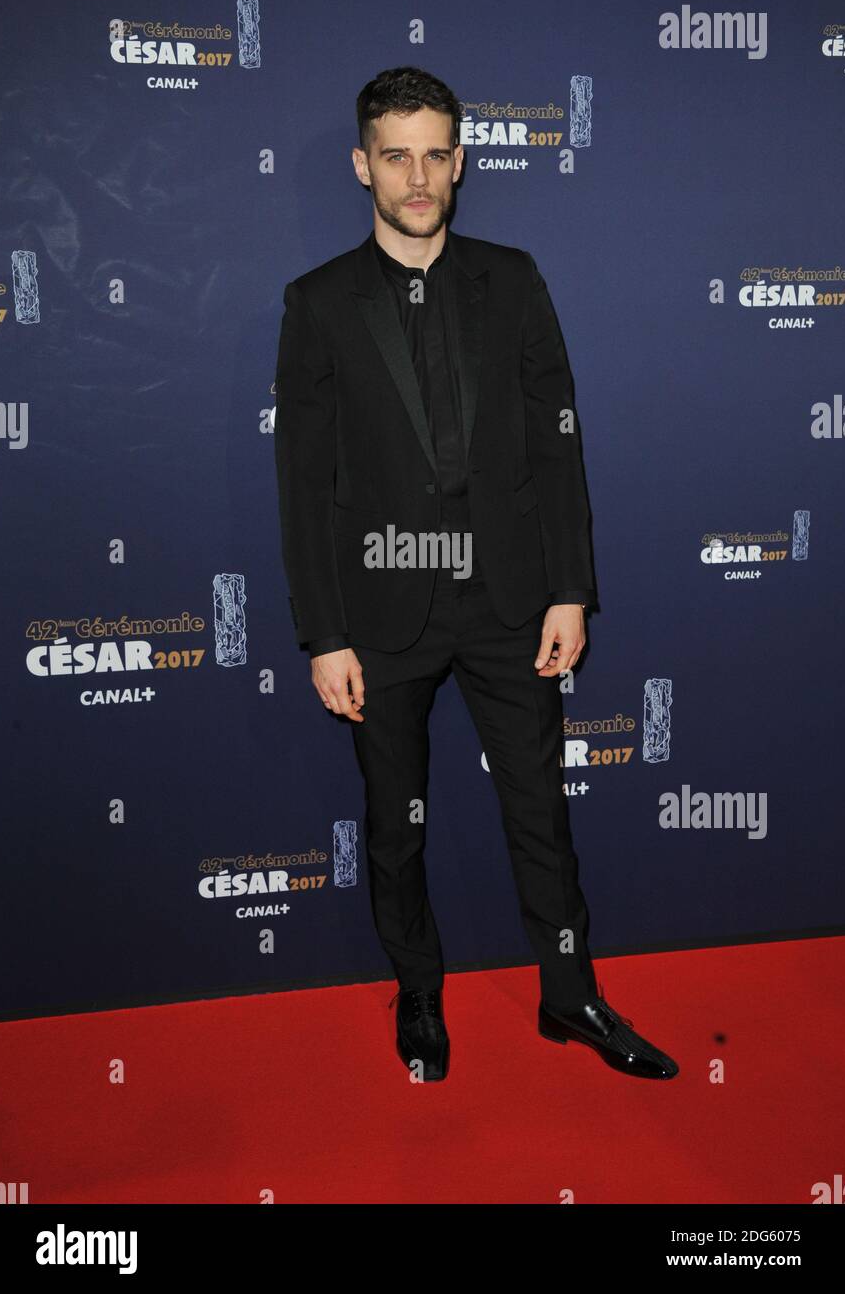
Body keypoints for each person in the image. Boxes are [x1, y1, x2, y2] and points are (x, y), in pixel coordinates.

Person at [275, 66, 678, 1083]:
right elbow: (304, 481)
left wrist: (569, 587)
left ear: (460, 163)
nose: (418, 175)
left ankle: (570, 993)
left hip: (510, 603)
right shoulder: (319, 303)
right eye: (396, 154)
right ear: (361, 164)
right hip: (383, 611)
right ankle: (417, 991)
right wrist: (323, 634)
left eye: (436, 154)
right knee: (395, 828)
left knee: (542, 811)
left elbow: (557, 448)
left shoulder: (515, 279)